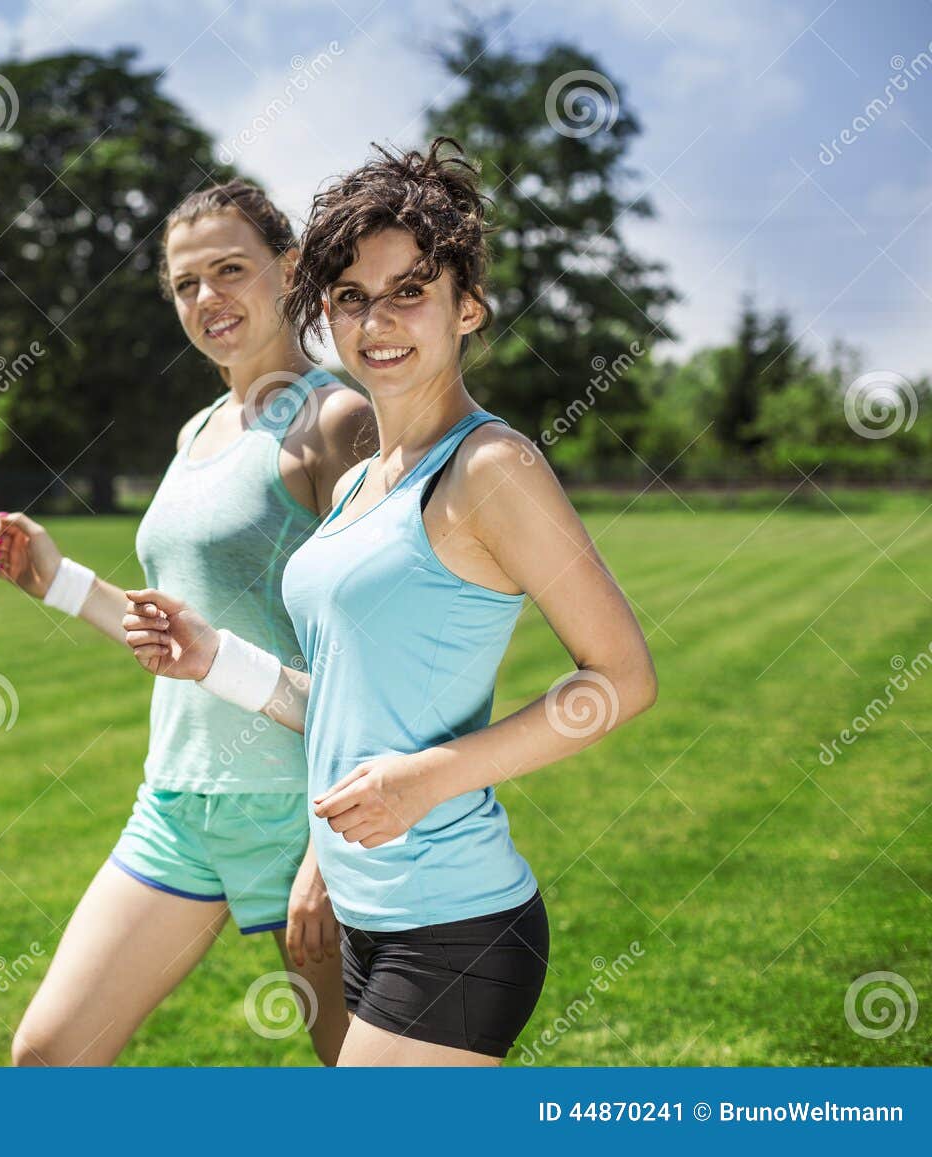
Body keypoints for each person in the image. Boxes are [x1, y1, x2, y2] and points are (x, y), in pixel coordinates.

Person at [121, 139, 658, 1067]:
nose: (378, 321)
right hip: (369, 919)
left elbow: (623, 678)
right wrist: (217, 659)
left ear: (468, 305)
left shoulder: (491, 468)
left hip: (455, 922)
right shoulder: (359, 482)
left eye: (410, 289)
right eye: (350, 297)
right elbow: (340, 704)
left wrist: (429, 778)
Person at [0, 180, 373, 1066]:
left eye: (230, 270)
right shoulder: (197, 430)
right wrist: (58, 581)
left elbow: (370, 658)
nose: (208, 298)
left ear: (290, 270)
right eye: (186, 283)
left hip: (307, 811)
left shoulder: (338, 419)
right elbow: (186, 633)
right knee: (47, 1056)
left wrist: (328, 851)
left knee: (368, 1085)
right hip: (177, 803)